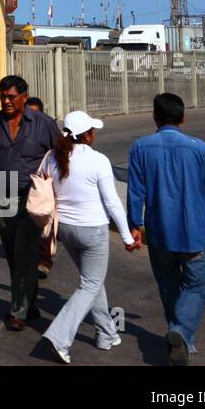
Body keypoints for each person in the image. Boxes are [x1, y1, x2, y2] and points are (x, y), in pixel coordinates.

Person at [127, 93, 205, 366]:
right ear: (182, 117)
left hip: (160, 234)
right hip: (194, 232)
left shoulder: (140, 148)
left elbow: (136, 192)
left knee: (169, 285)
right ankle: (181, 333)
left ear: (155, 117)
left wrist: (135, 224)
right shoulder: (200, 149)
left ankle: (180, 336)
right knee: (194, 286)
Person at [39, 110, 139, 363]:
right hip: (92, 231)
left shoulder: (53, 158)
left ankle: (106, 334)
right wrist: (127, 237)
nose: (94, 134)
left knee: (92, 281)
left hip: (65, 230)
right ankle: (59, 337)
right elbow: (113, 202)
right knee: (90, 284)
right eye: (92, 130)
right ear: (86, 135)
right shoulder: (98, 160)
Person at [0, 74, 62, 330]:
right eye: (3, 97)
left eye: (11, 97)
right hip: (4, 197)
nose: (6, 101)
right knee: (13, 253)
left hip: (32, 198)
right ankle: (29, 302)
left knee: (24, 253)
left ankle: (18, 312)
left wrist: (59, 191)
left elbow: (60, 156)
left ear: (24, 97)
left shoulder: (44, 124)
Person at [26, 97, 54, 279]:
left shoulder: (47, 128)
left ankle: (44, 261)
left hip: (44, 183)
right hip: (26, 185)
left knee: (45, 223)